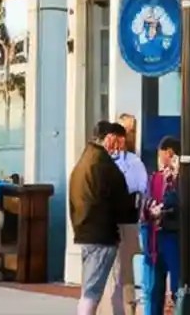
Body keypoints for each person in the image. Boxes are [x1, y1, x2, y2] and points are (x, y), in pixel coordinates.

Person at [69, 121, 132, 315]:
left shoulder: (83, 162)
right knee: (92, 292)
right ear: (110, 138)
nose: (121, 149)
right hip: (101, 235)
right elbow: (123, 202)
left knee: (89, 288)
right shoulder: (104, 165)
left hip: (85, 231)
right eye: (121, 142)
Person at [103, 119, 147, 315]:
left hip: (127, 222)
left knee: (126, 272)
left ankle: (128, 310)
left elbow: (143, 191)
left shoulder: (134, 163)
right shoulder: (100, 162)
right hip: (105, 223)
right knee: (108, 272)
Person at [142, 137, 182, 315]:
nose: (160, 160)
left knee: (177, 288)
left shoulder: (183, 179)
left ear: (170, 153)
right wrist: (151, 209)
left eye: (161, 155)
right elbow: (146, 201)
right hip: (155, 238)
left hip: (174, 236)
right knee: (154, 289)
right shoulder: (155, 178)